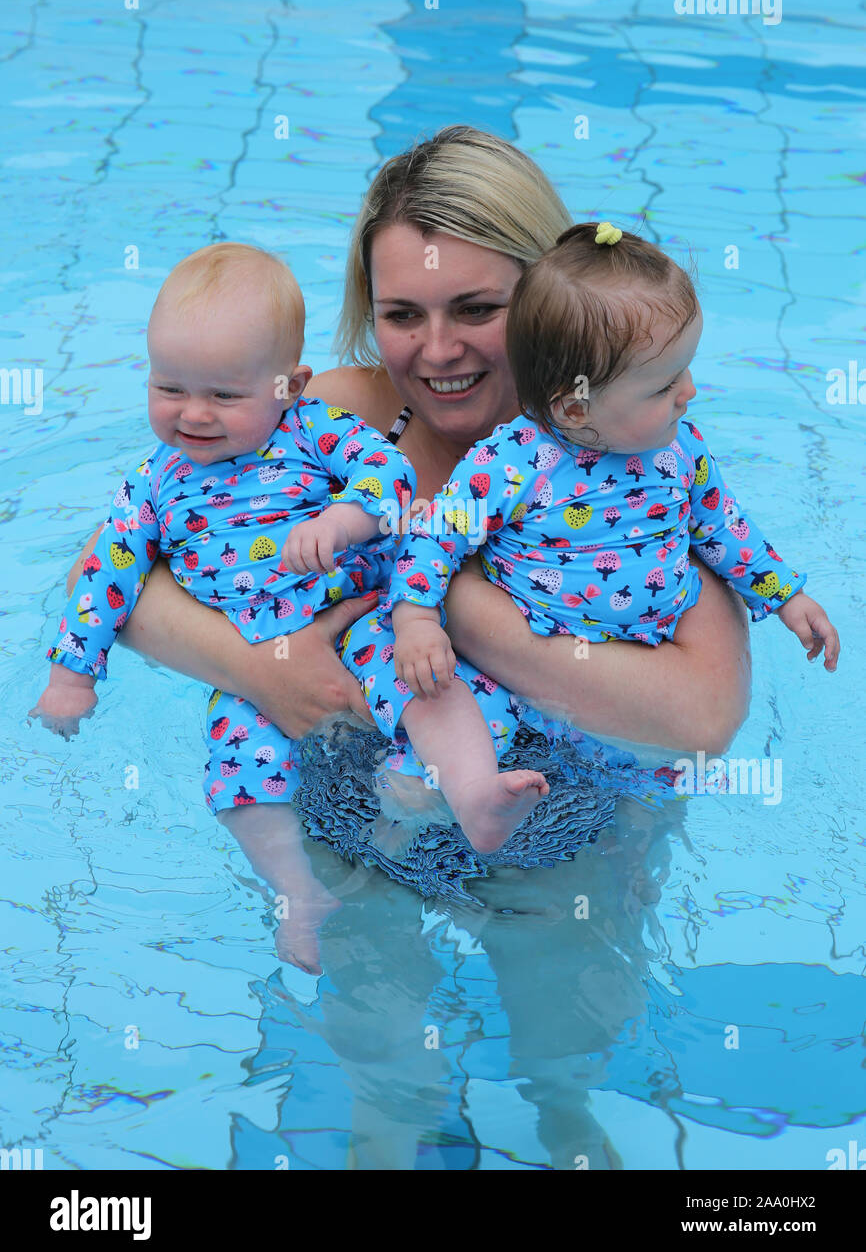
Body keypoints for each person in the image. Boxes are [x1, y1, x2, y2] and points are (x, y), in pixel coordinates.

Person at [60, 126, 758, 973]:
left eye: (477, 309)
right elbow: (109, 569)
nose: (437, 351)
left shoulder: (629, 460)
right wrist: (262, 670)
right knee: (383, 1076)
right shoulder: (329, 419)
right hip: (358, 815)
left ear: (548, 303)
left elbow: (701, 718)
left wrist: (432, 591)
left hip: (572, 831)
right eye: (401, 315)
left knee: (566, 1057)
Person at [332, 220, 838, 855]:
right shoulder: (515, 463)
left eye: (684, 371)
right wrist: (414, 618)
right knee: (456, 728)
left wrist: (787, 597)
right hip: (515, 687)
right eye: (665, 385)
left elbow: (725, 528)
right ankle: (406, 815)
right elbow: (437, 537)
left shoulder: (678, 450)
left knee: (643, 809)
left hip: (618, 680)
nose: (690, 393)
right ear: (575, 409)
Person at [35, 241, 415, 966]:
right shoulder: (155, 479)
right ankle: (298, 892)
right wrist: (70, 675)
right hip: (251, 663)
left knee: (414, 674)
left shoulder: (314, 430)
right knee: (237, 773)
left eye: (225, 396)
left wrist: (342, 521)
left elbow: (391, 473)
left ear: (289, 385)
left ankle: (415, 784)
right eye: (170, 389)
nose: (194, 415)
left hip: (359, 619)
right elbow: (106, 570)